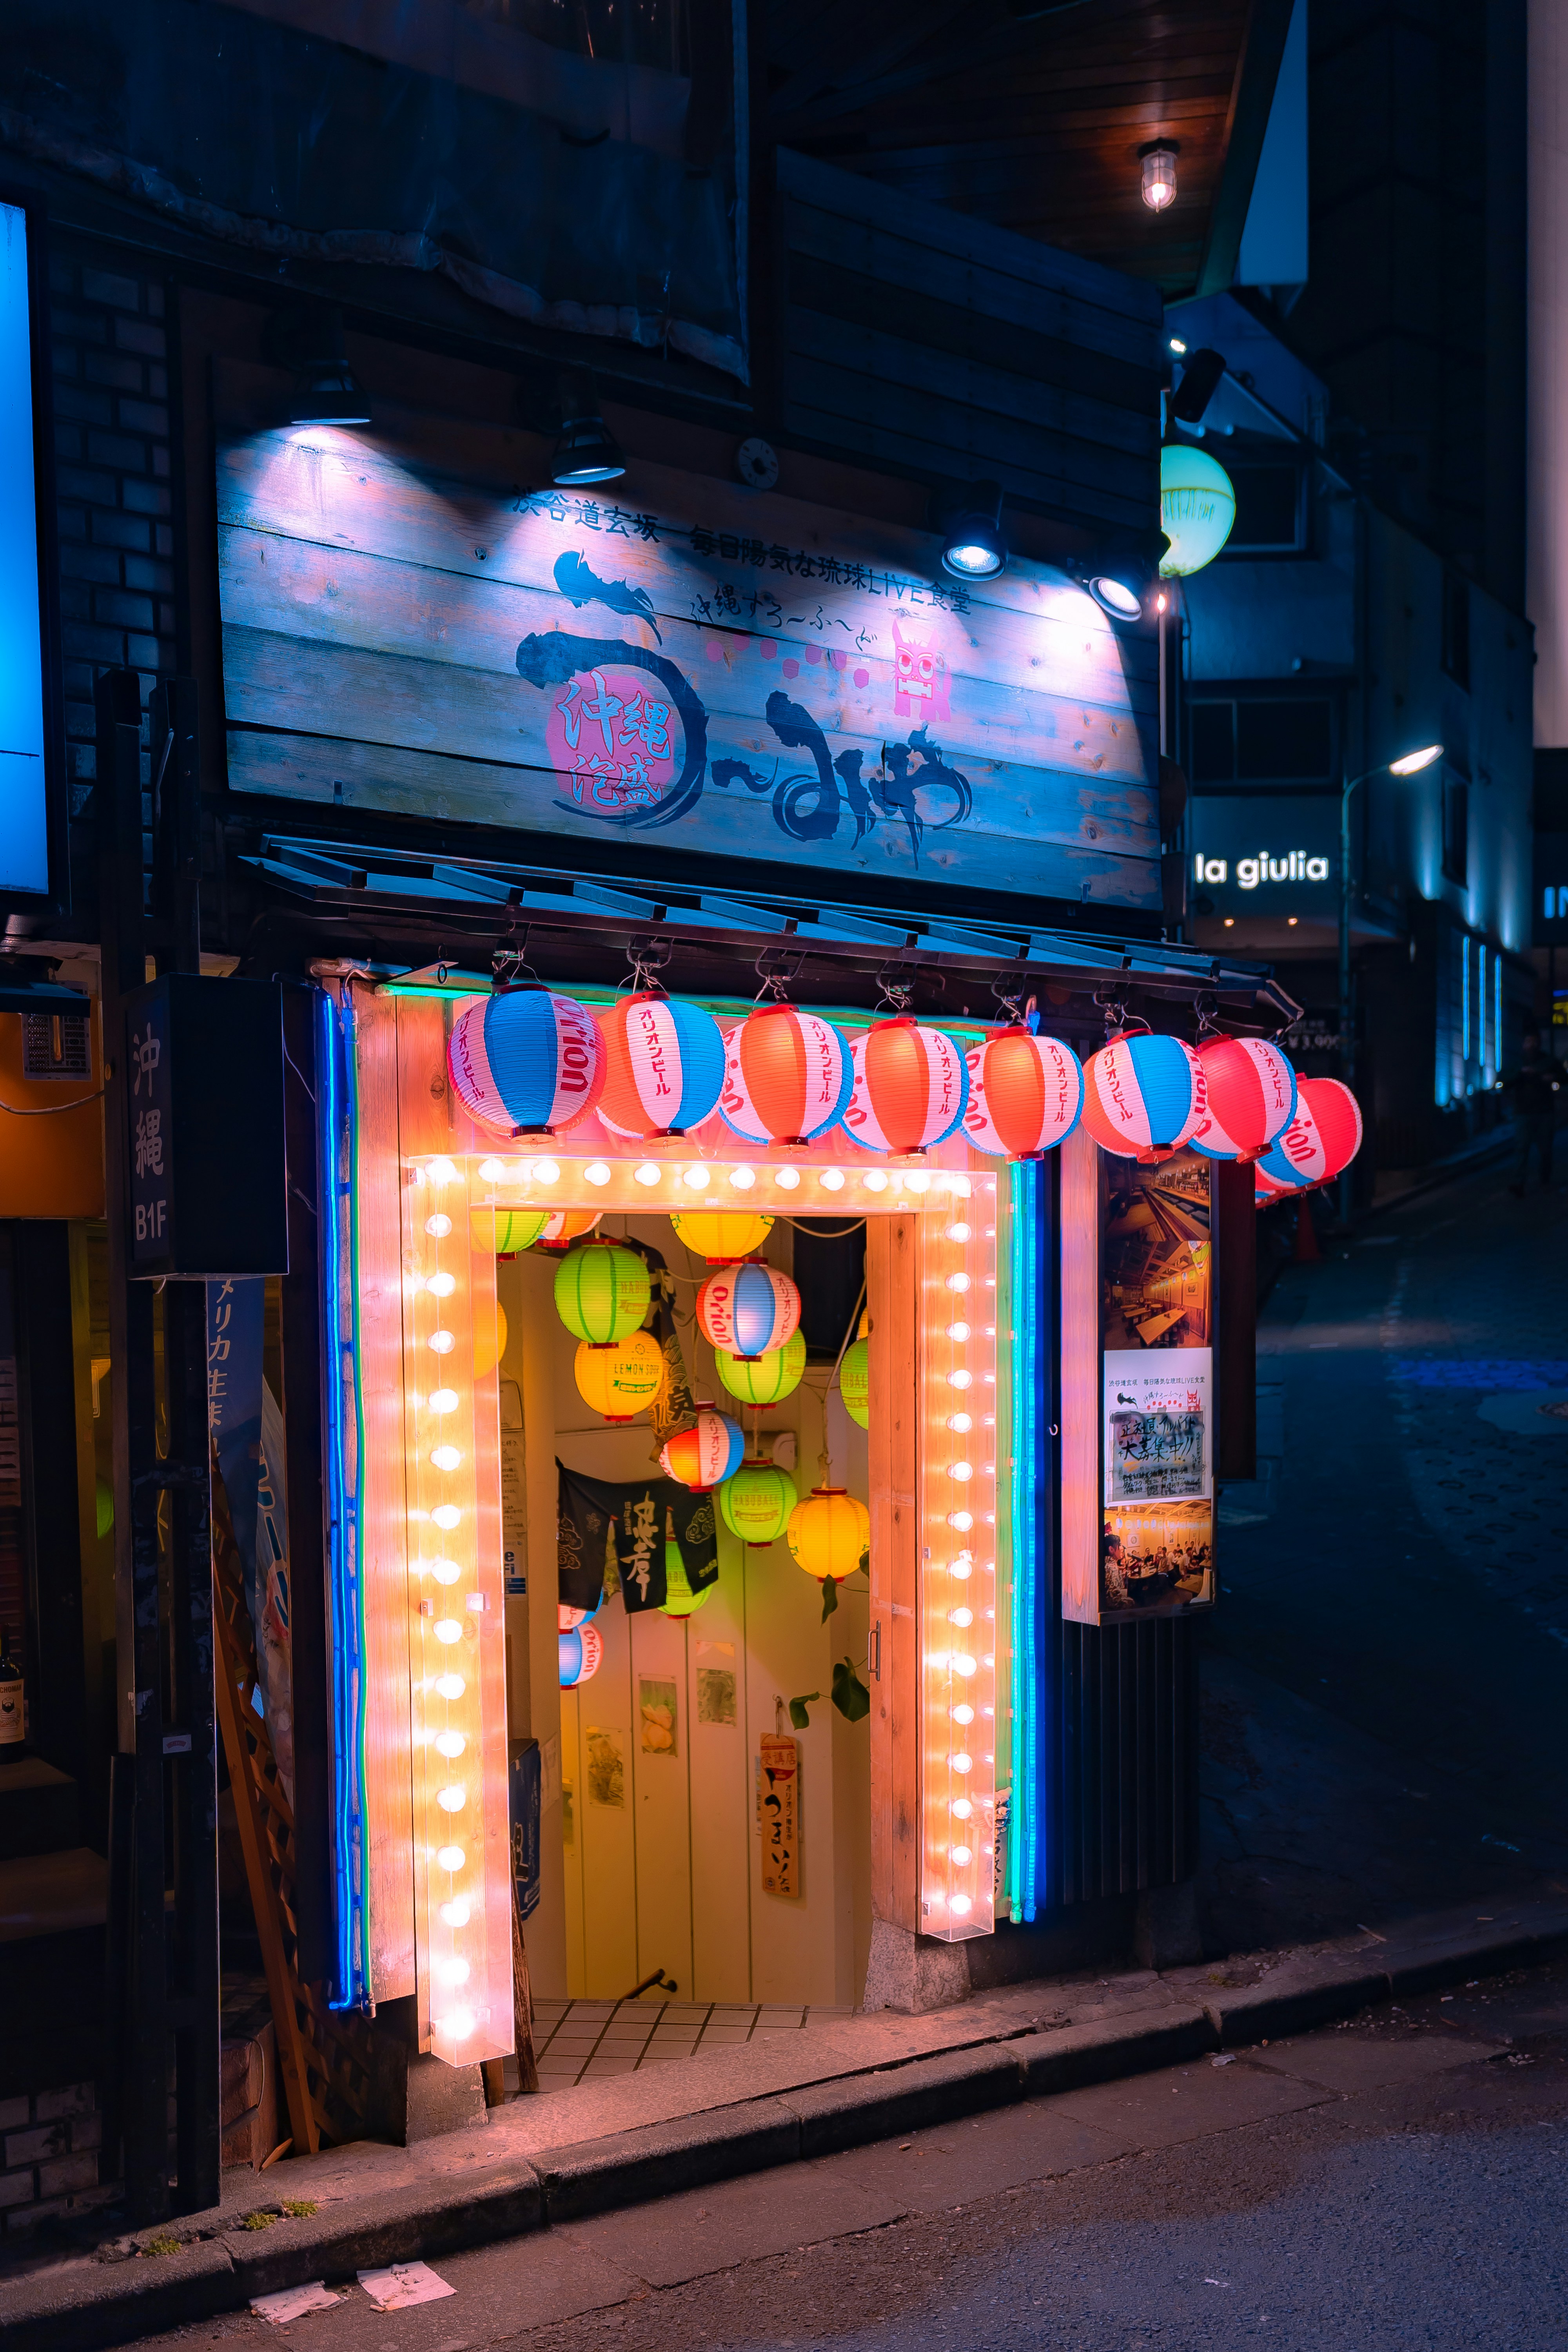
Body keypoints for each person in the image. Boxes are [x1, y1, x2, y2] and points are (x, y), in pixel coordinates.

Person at [1504, 1031, 1561, 1195]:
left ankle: (1544, 1180)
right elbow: (1504, 1083)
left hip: (1544, 1111)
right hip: (1524, 1112)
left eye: (1534, 1042)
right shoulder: (1517, 1062)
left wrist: (1552, 1079)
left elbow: (1562, 1079)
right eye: (1528, 1042)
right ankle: (1519, 1182)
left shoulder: (1548, 1061)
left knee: (1545, 1149)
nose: (1531, 1046)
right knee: (1522, 1147)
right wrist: (1520, 1074)